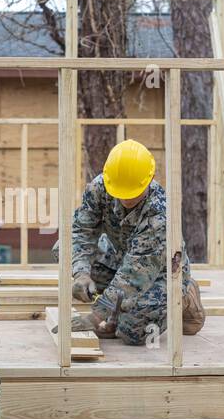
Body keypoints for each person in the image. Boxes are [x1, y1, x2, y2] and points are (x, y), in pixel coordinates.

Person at [62, 139, 206, 345]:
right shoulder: (99, 187)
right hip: (120, 256)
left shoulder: (160, 215)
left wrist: (96, 316)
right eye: (120, 192)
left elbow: (134, 274)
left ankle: (184, 297)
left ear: (149, 180)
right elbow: (81, 231)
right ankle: (118, 306)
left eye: (132, 193)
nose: (126, 199)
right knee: (63, 249)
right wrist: (81, 273)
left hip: (158, 272)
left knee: (134, 333)